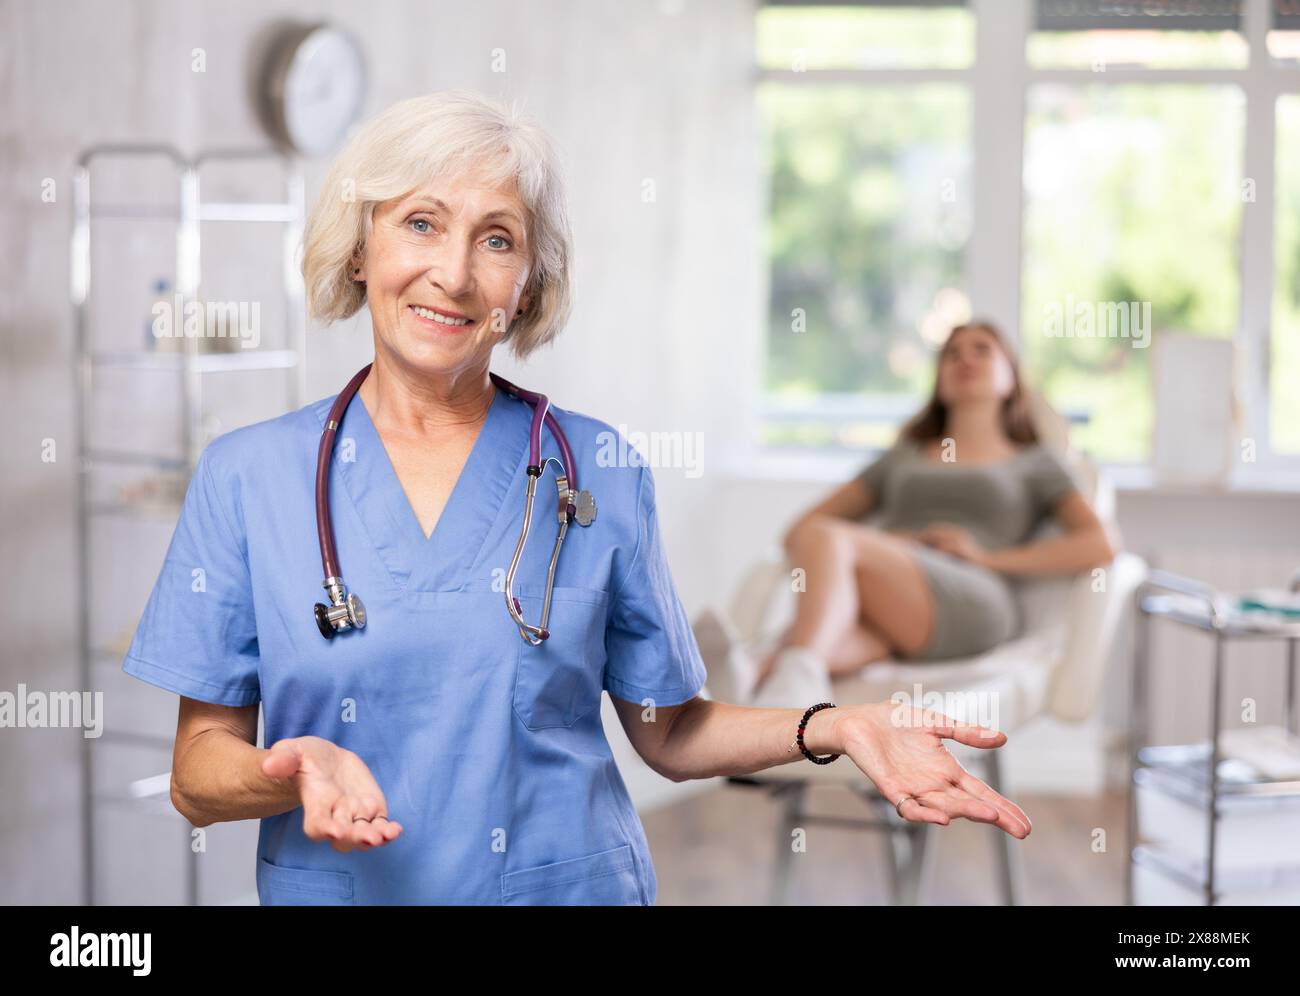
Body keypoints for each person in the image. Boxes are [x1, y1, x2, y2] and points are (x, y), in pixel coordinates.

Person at [122, 91, 1031, 906]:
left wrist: (836, 723)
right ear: (362, 249)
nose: (453, 273)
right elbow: (197, 772)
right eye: (421, 224)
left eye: (496, 239)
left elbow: (668, 731)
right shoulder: (247, 478)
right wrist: (293, 767)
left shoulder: (598, 468)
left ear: (523, 291)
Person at [699, 320, 1118, 709]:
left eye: (982, 350)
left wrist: (987, 557)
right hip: (898, 603)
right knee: (837, 576)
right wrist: (894, 544)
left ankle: (784, 673)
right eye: (952, 354)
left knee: (830, 538)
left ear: (1011, 377)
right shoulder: (902, 459)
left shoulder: (1035, 461)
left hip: (975, 596)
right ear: (939, 381)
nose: (965, 359)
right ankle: (755, 672)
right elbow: (799, 531)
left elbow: (1100, 544)